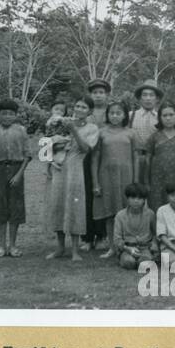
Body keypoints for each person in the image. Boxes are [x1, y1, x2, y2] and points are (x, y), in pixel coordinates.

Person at [48, 96, 99, 261]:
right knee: (58, 205)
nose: (79, 109)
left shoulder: (92, 128)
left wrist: (74, 130)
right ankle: (60, 248)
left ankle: (75, 250)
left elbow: (85, 149)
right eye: (77, 106)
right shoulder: (62, 122)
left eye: (84, 107)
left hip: (76, 170)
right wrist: (52, 155)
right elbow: (46, 143)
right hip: (59, 169)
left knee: (76, 208)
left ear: (90, 111)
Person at [0, 98, 31, 257]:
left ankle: (12, 245)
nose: (7, 117)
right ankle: (1, 245)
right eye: (3, 114)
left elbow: (27, 155)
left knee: (15, 207)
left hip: (16, 169)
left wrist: (19, 174)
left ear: (16, 115)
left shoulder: (21, 130)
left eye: (11, 114)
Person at [91, 98, 136, 250]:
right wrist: (96, 182)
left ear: (124, 115)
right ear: (107, 115)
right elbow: (95, 158)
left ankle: (128, 245)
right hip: (107, 176)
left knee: (127, 211)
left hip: (126, 176)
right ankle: (112, 246)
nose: (115, 116)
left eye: (118, 113)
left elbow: (135, 157)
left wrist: (135, 180)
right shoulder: (101, 133)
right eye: (112, 113)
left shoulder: (130, 133)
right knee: (110, 213)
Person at [83, 78, 112, 245]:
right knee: (88, 195)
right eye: (95, 93)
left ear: (107, 94)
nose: (98, 96)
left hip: (108, 156)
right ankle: (88, 236)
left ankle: (102, 235)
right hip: (87, 157)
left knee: (104, 194)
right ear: (90, 94)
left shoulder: (112, 111)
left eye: (101, 92)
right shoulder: (86, 112)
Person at [144, 102, 175, 210]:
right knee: (157, 208)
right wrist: (146, 181)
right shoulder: (154, 136)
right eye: (164, 115)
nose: (168, 118)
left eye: (171, 115)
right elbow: (147, 159)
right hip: (157, 180)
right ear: (160, 118)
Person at [41, 99, 71, 253]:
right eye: (56, 108)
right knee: (56, 202)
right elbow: (44, 145)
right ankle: (60, 244)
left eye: (61, 110)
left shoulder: (67, 123)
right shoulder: (48, 124)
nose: (58, 112)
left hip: (67, 160)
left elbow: (69, 139)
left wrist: (60, 140)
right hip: (54, 163)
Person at [106, 182, 156, 269]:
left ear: (144, 200)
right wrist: (128, 249)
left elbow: (156, 233)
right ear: (128, 198)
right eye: (133, 197)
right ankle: (124, 258)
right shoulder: (120, 215)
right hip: (127, 248)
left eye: (140, 198)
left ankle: (145, 259)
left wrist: (154, 244)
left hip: (145, 248)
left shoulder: (150, 214)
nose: (136, 201)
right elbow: (117, 239)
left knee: (144, 264)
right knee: (129, 262)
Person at [130, 80, 163, 179]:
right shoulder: (130, 116)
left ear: (157, 98)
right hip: (134, 158)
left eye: (151, 95)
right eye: (145, 95)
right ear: (140, 98)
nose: (148, 98)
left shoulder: (161, 117)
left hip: (154, 159)